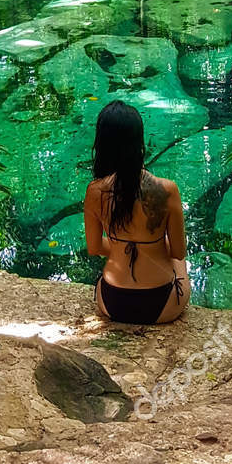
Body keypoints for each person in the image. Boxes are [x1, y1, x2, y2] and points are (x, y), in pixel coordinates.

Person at [84, 100, 191, 325]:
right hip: (161, 305)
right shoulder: (167, 190)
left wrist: (122, 246)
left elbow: (94, 248)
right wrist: (151, 247)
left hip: (113, 303)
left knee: (118, 255)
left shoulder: (95, 191)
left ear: (101, 144)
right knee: (179, 263)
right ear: (139, 142)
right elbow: (179, 251)